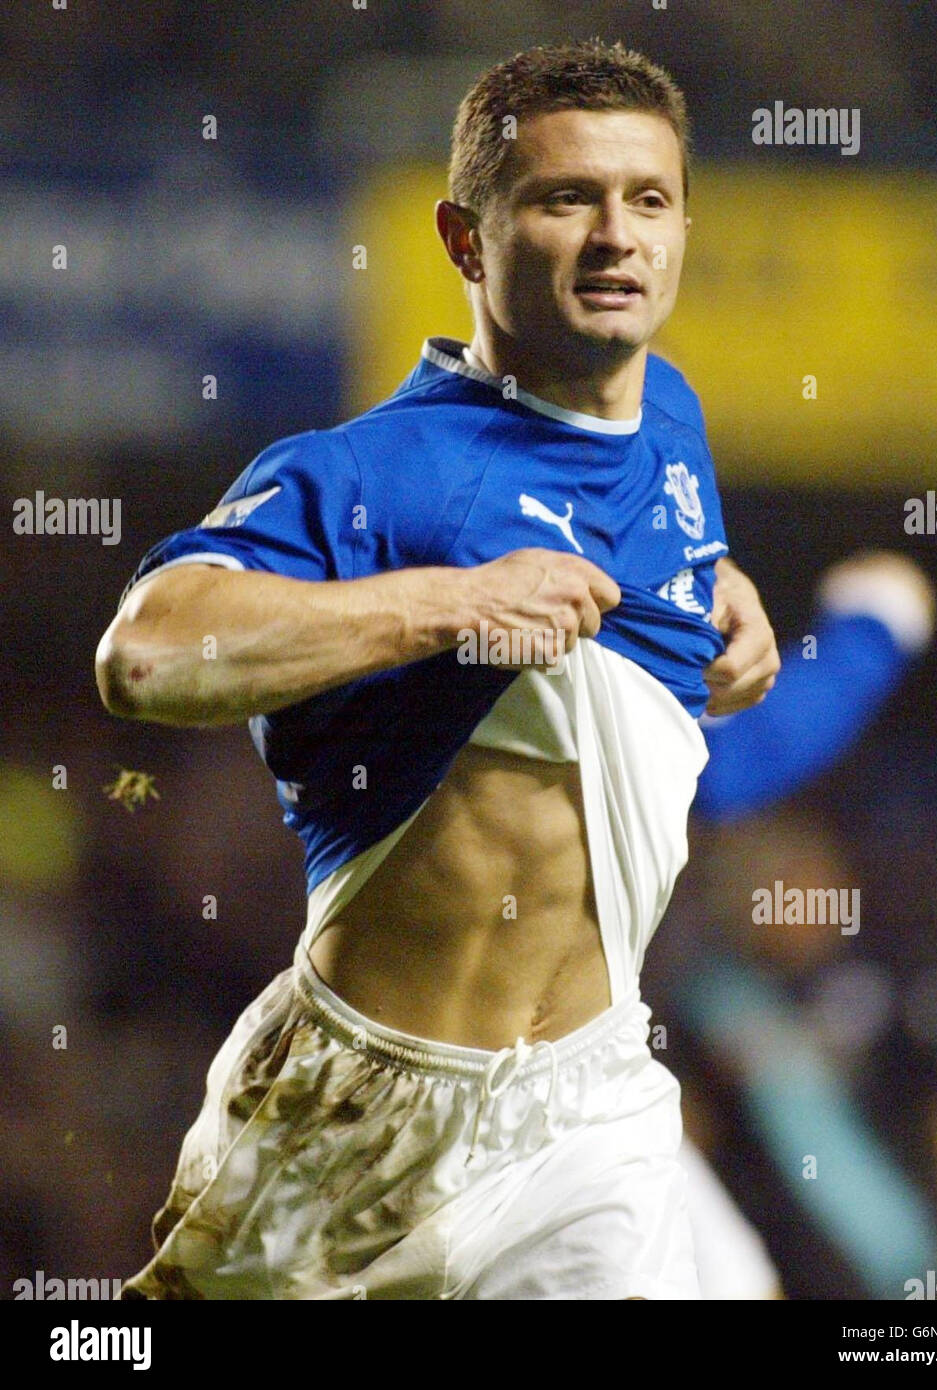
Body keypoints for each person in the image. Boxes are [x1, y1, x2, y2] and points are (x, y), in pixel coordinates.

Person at [95, 39, 778, 1300]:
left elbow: (664, 550)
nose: (616, 238)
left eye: (649, 200)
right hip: (351, 1114)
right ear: (467, 239)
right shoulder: (383, 469)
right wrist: (449, 606)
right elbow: (146, 656)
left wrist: (724, 602)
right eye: (565, 199)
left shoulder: (671, 414)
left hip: (589, 1106)